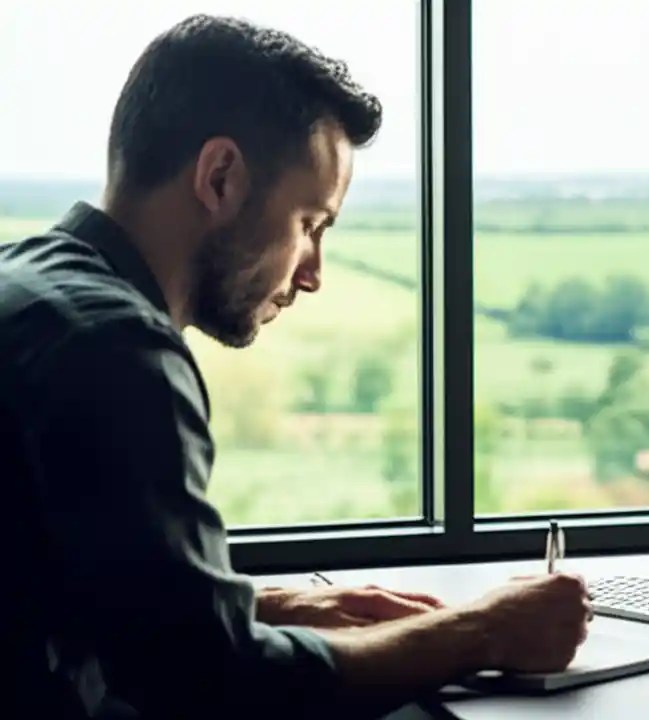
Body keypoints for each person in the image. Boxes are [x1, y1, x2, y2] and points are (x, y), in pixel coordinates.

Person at [0, 13, 590, 719]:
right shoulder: (116, 351)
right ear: (220, 178)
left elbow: (102, 594)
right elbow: (217, 683)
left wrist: (278, 604)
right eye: (309, 225)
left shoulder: (31, 287)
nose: (312, 274)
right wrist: (484, 630)